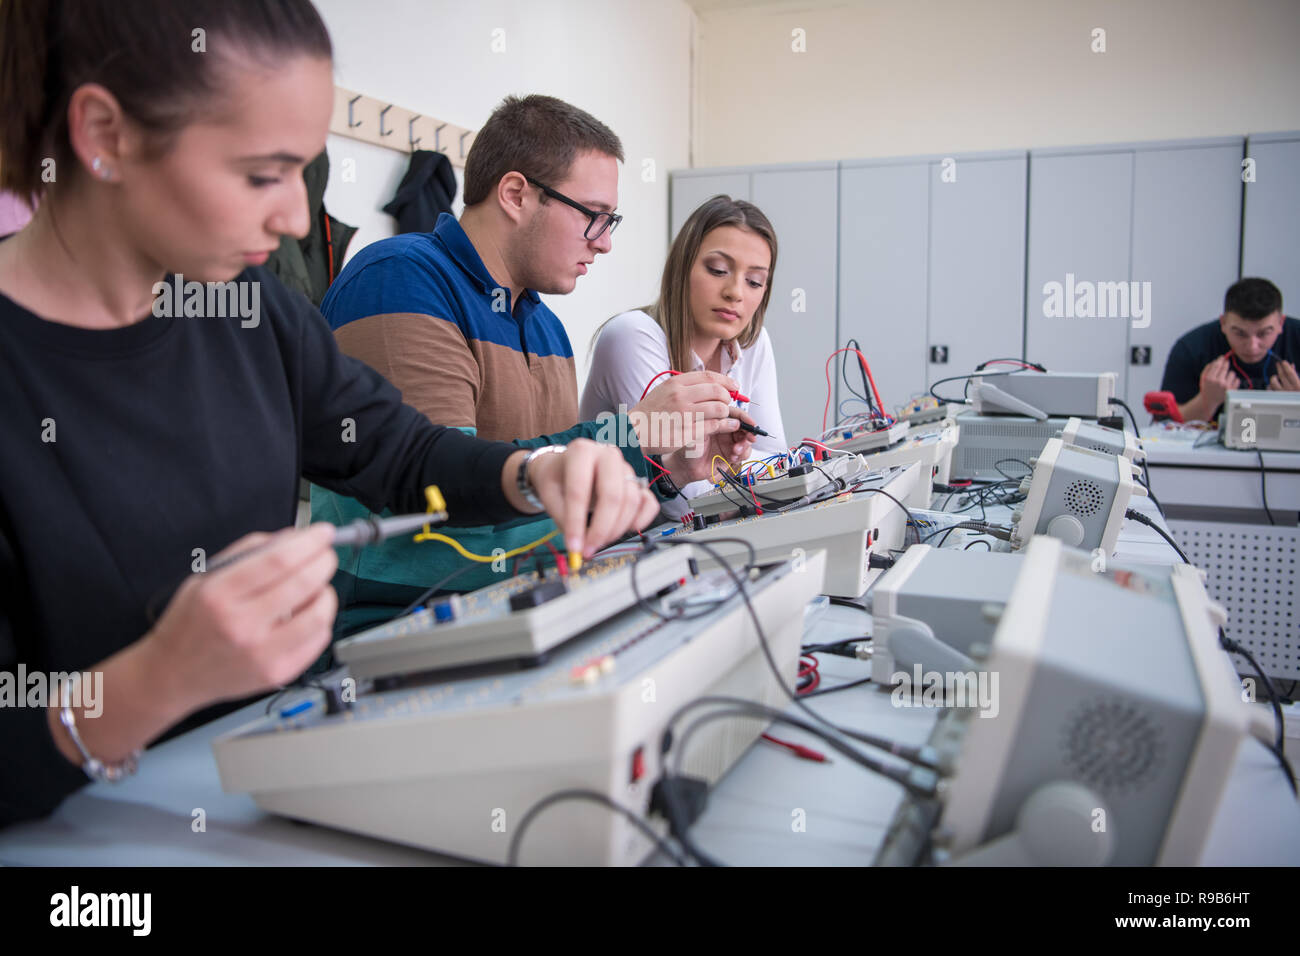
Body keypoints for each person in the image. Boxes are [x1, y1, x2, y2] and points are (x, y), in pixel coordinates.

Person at [0, 0, 655, 827]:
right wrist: (161, 678)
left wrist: (533, 473)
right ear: (104, 135)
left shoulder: (252, 311)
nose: (290, 219)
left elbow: (403, 456)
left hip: (263, 790)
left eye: (303, 174)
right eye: (260, 174)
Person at [313, 95, 755, 629]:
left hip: (527, 610)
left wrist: (666, 471)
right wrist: (634, 432)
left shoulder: (546, 327)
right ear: (517, 194)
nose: (607, 242)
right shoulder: (400, 280)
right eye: (594, 217)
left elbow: (546, 495)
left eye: (611, 220)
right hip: (403, 627)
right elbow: (435, 513)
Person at [581, 195, 787, 515]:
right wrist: (751, 474)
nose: (736, 292)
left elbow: (776, 459)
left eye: (754, 281)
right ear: (682, 267)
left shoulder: (754, 343)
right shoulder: (631, 336)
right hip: (622, 546)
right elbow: (685, 503)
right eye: (718, 270)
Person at [1161, 277, 1300, 422]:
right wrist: (1207, 400)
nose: (1252, 347)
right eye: (1240, 333)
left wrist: (1296, 404)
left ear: (1280, 323)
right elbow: (1165, 425)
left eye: (1264, 333)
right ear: (1223, 323)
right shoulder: (1191, 348)